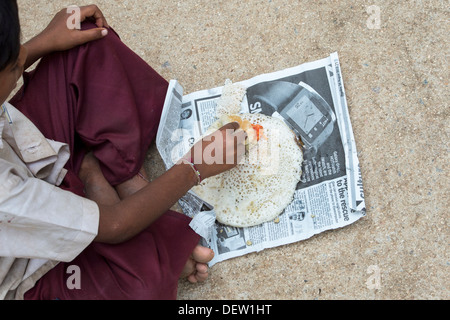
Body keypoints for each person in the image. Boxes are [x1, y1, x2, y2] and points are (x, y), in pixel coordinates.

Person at [0, 1, 246, 300]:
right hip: (28, 263)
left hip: (20, 153)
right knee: (141, 290)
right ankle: (100, 179)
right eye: (15, 64)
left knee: (87, 40)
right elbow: (114, 226)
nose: (21, 60)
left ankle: (116, 180)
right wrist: (195, 166)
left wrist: (41, 43)